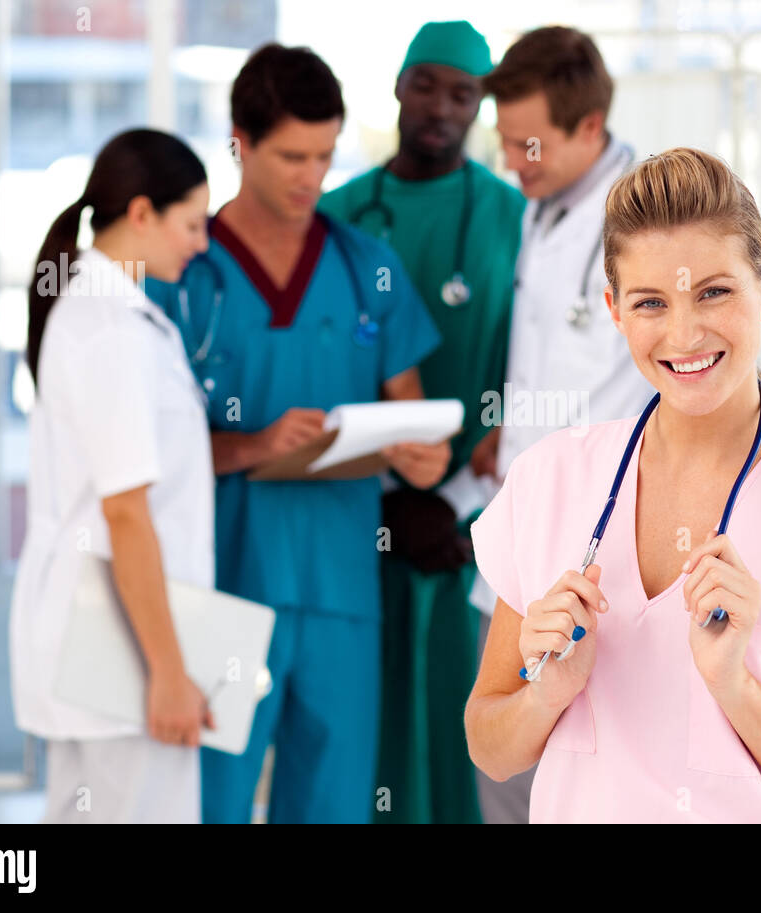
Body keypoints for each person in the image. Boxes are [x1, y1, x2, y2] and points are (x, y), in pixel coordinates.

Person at [465, 148, 761, 823]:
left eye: (714, 292)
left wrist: (737, 687)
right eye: (649, 302)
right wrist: (547, 693)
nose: (683, 332)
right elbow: (491, 747)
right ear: (614, 309)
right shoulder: (548, 482)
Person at [146, 44, 448, 824]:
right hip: (221, 587)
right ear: (238, 143)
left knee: (334, 805)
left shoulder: (366, 267)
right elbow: (140, 452)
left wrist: (423, 459)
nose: (311, 177)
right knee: (208, 800)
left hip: (342, 589)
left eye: (324, 154)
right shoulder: (186, 273)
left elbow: (408, 415)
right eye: (289, 156)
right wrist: (252, 446)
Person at [319, 21, 524, 824]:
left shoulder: (516, 221)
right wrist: (385, 496)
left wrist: (458, 500)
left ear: (479, 106)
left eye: (462, 94)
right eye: (426, 85)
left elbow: (531, 377)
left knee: (462, 730)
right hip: (356, 515)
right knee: (360, 733)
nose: (441, 107)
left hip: (468, 522)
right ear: (400, 88)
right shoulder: (338, 216)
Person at [466, 24, 655, 824]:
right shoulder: (543, 209)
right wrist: (504, 433)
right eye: (506, 144)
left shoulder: (647, 221)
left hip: (598, 546)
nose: (514, 163)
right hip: (526, 523)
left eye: (530, 145)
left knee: (586, 778)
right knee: (505, 768)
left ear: (589, 127)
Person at [10, 128, 213, 823]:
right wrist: (168, 672)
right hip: (117, 653)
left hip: (96, 640)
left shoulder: (108, 315)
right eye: (191, 224)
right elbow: (127, 513)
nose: (201, 243)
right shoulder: (112, 331)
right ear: (140, 214)